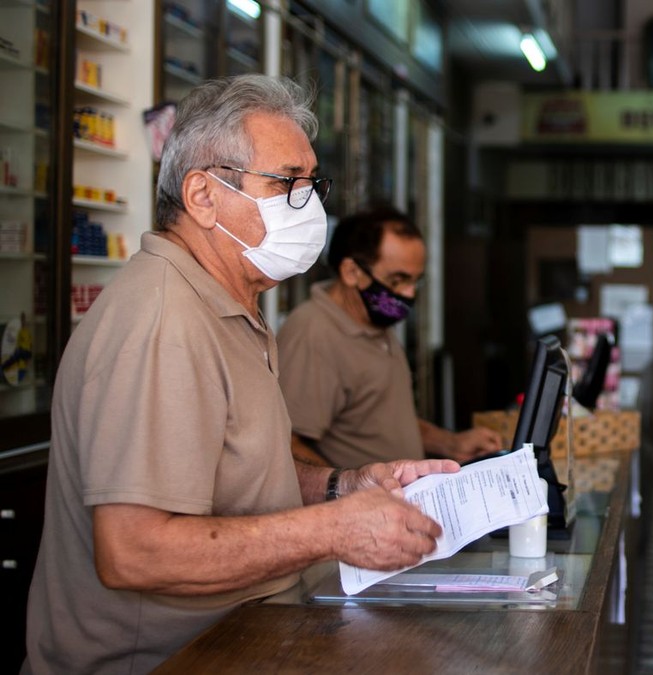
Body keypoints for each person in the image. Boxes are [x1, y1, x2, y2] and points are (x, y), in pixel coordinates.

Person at [22, 75, 458, 674]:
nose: (310, 207)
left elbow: (238, 472)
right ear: (202, 196)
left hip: (248, 638)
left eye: (313, 185)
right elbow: (133, 552)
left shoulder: (228, 306)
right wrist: (331, 530)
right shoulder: (161, 322)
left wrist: (345, 488)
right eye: (285, 184)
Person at [276, 207, 504, 469]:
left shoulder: (374, 322)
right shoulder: (312, 333)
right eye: (397, 280)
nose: (407, 294)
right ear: (352, 272)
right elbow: (287, 446)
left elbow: (379, 418)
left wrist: (449, 443)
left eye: (415, 281)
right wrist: (345, 491)